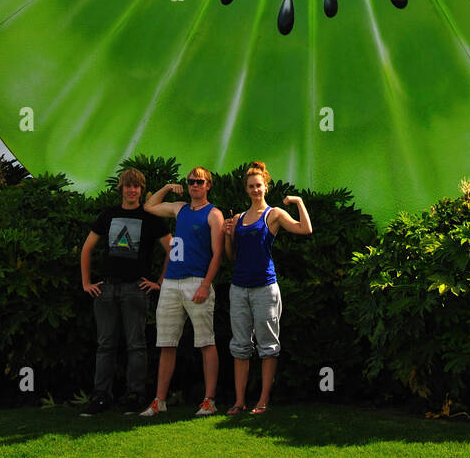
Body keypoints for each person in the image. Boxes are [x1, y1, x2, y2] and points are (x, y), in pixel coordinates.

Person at [80, 168, 171, 416]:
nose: (132, 191)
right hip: (106, 289)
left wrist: (159, 282)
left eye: (137, 187)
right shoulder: (108, 215)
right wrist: (86, 283)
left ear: (142, 190)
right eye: (128, 186)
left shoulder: (151, 217)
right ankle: (101, 396)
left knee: (136, 345)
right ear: (121, 189)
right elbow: (87, 249)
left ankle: (134, 395)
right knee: (105, 345)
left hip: (136, 290)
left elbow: (173, 249)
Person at [223, 161, 312, 415]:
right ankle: (239, 402)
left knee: (267, 346)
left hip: (265, 288)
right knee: (240, 347)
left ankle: (262, 401)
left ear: (266, 186)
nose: (255, 190)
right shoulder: (238, 218)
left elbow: (305, 229)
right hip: (239, 289)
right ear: (246, 189)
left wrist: (298, 202)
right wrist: (228, 234)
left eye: (259, 185)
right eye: (251, 186)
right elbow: (231, 256)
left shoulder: (273, 215)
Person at [139, 167, 224, 418]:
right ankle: (159, 401)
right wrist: (166, 188)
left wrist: (205, 285)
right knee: (166, 343)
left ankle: (209, 401)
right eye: (190, 182)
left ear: (208, 185)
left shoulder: (214, 214)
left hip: (197, 282)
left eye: (199, 182)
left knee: (206, 342)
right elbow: (149, 207)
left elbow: (218, 254)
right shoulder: (180, 208)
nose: (194, 185)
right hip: (171, 283)